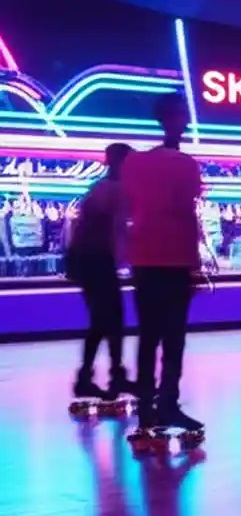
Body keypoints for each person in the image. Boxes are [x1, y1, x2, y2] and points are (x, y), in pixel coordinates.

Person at [120, 92, 204, 432]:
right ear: (176, 118)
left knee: (149, 336)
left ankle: (146, 408)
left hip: (145, 258)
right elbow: (186, 213)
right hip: (174, 259)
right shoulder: (186, 165)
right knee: (172, 338)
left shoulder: (134, 163)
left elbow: (130, 208)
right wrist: (195, 265)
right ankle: (167, 404)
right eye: (184, 112)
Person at [65, 142, 134, 401]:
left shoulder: (101, 188)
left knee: (105, 319)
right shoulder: (112, 189)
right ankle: (110, 377)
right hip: (96, 259)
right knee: (110, 318)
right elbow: (114, 231)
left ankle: (95, 377)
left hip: (88, 259)